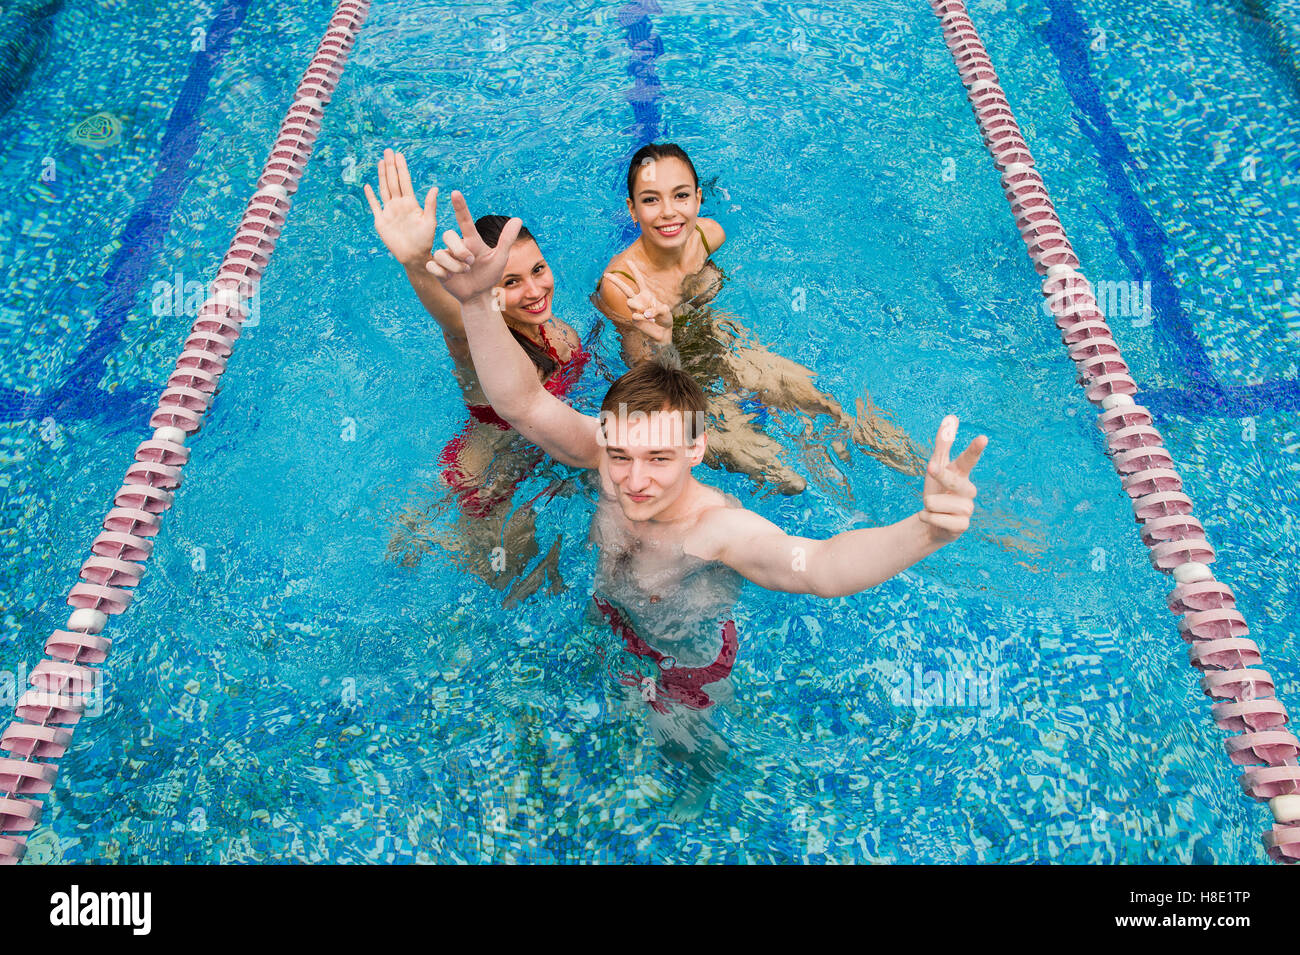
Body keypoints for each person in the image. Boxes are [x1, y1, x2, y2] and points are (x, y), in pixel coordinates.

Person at [426, 192, 989, 819]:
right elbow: (522, 403)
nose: (634, 481)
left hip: (682, 665)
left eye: (659, 460)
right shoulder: (607, 458)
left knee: (689, 784)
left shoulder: (718, 529)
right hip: (607, 620)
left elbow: (822, 567)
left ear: (696, 451)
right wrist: (477, 302)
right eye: (621, 456)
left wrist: (926, 531)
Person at [593, 142, 927, 497]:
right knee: (784, 475)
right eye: (650, 200)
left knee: (829, 405)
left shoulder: (708, 236)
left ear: (698, 198)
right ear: (631, 209)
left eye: (680, 196)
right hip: (674, 378)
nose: (668, 212)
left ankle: (927, 472)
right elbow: (647, 383)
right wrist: (665, 340)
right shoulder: (622, 286)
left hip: (719, 337)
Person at [364, 149, 588, 604]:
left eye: (538, 270)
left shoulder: (558, 330)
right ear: (487, 289)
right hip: (488, 481)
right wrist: (416, 261)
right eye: (510, 282)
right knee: (508, 585)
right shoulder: (483, 339)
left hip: (536, 460)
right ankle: (428, 536)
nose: (533, 290)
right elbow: (458, 318)